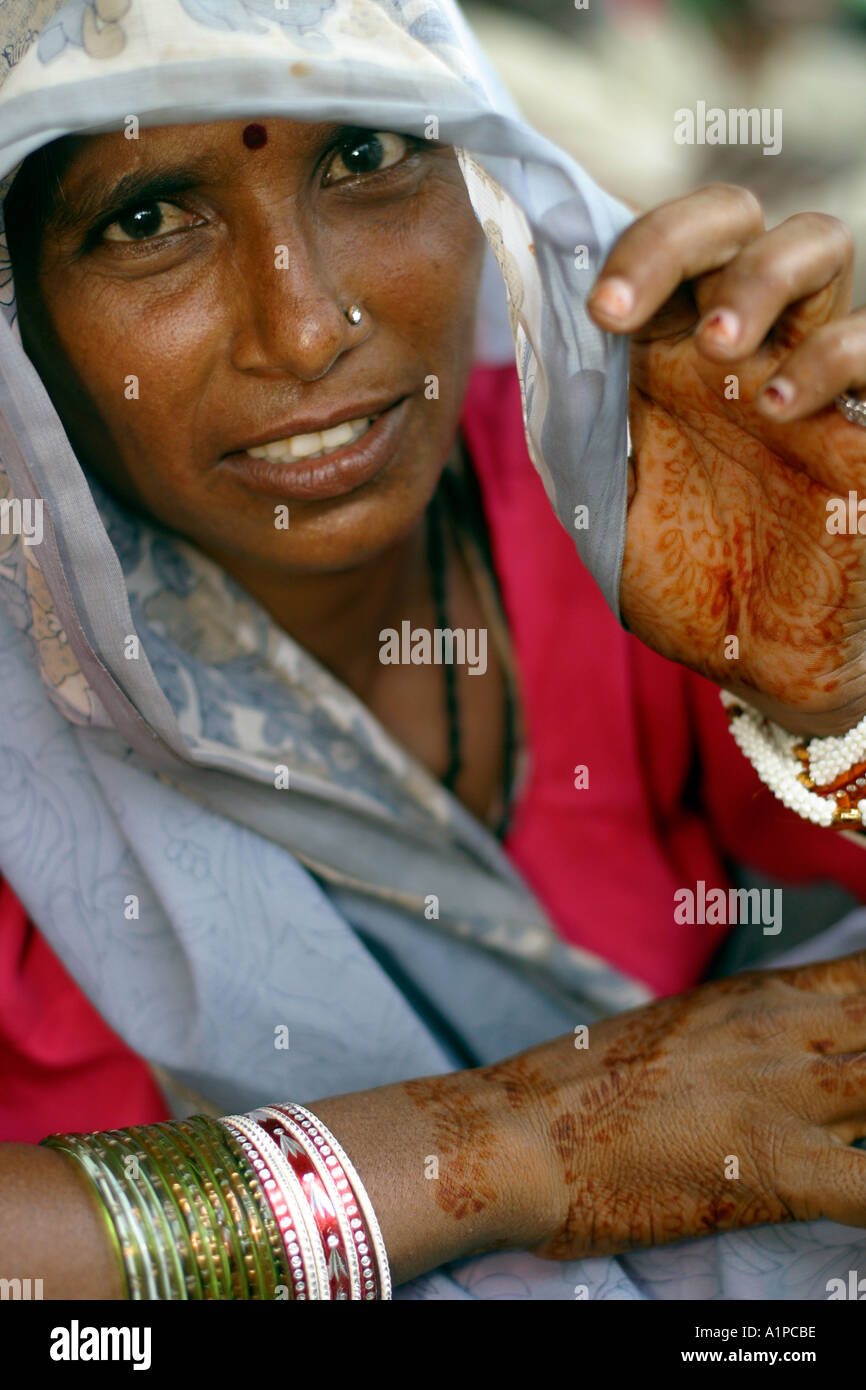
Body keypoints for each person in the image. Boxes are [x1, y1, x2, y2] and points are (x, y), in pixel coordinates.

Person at [1, 0, 865, 1301]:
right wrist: (514, 1139)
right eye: (145, 218)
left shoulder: (636, 490)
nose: (305, 327)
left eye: (360, 156)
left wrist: (833, 683)